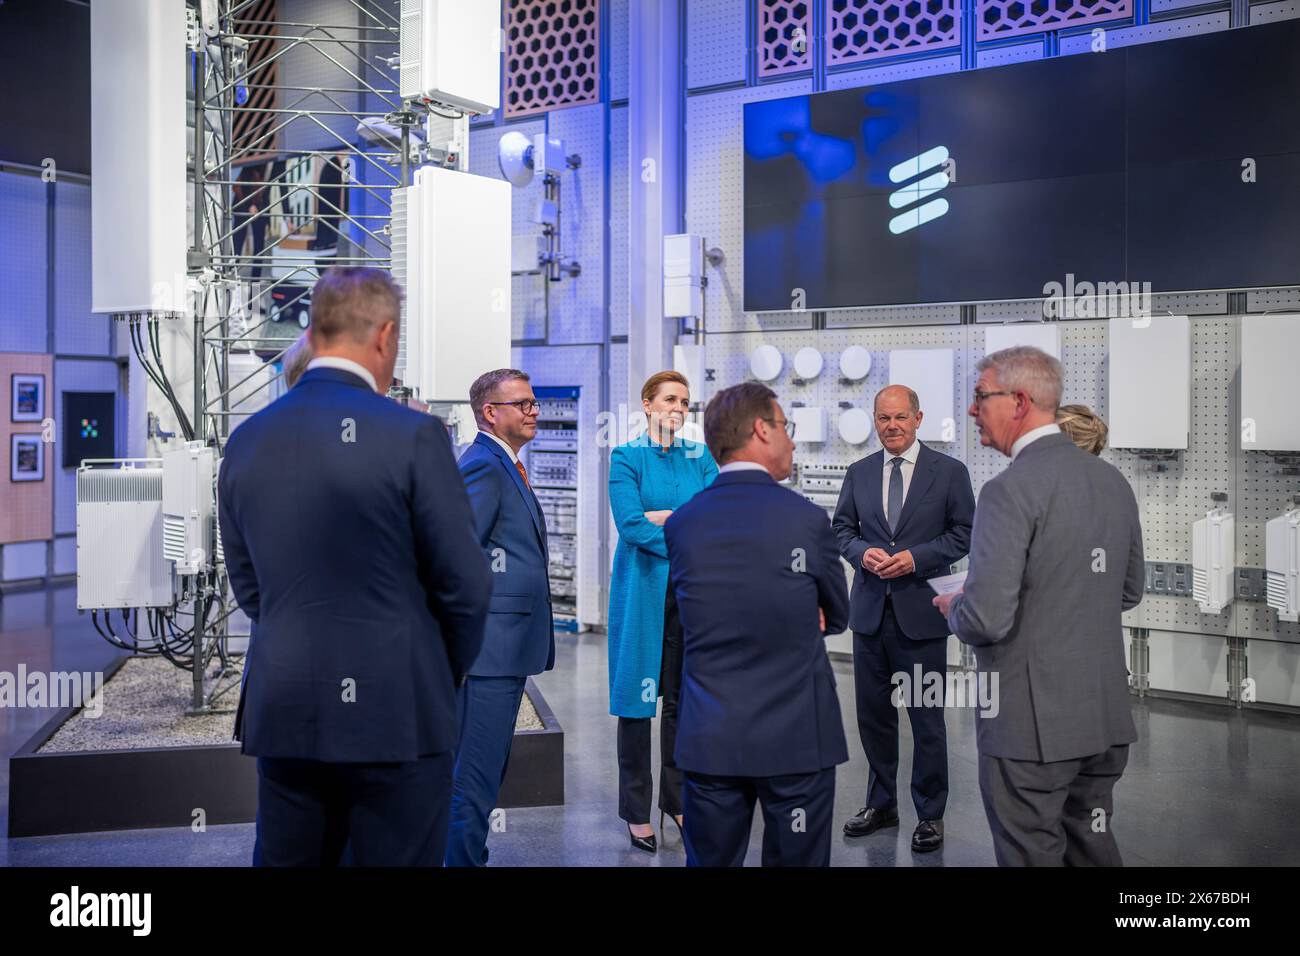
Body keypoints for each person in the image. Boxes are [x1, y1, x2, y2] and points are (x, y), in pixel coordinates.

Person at [218, 266, 491, 866]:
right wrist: (427, 669)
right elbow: (466, 589)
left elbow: (250, 585)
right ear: (386, 336)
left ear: (313, 331)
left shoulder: (245, 441)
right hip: (398, 714)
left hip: (286, 708)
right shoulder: (415, 436)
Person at [933, 346, 1144, 866]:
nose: (971, 409)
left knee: (1032, 852)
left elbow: (985, 618)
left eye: (980, 396)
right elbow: (1128, 590)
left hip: (1030, 727)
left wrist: (954, 606)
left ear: (1020, 401)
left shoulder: (1008, 490)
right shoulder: (1112, 482)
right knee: (1091, 847)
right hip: (1102, 718)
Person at [665, 383, 849, 867]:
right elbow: (839, 614)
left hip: (711, 738)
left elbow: (697, 614)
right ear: (762, 430)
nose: (790, 441)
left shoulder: (683, 523)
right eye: (786, 427)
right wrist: (801, 609)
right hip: (796, 739)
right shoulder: (806, 520)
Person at [832, 384, 975, 852]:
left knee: (926, 719)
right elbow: (842, 531)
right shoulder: (859, 472)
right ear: (875, 421)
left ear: (918, 418)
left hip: (922, 615)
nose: (891, 426)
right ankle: (881, 804)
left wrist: (915, 558)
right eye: (882, 418)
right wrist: (861, 554)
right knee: (873, 718)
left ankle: (930, 814)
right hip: (871, 614)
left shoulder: (949, 472)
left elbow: (963, 535)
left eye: (899, 417)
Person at [447, 369, 556, 867]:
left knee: (481, 777)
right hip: (488, 653)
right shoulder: (484, 467)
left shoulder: (504, 464)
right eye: (523, 404)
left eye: (534, 403)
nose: (534, 411)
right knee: (472, 780)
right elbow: (456, 556)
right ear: (491, 413)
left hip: (503, 651)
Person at [606, 371, 718, 852]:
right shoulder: (625, 458)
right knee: (637, 702)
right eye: (669, 399)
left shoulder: (700, 457)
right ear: (647, 405)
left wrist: (670, 520)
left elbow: (718, 515)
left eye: (685, 402)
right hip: (643, 594)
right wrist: (684, 527)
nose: (679, 408)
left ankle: (676, 800)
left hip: (691, 595)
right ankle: (636, 811)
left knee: (681, 700)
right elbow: (632, 526)